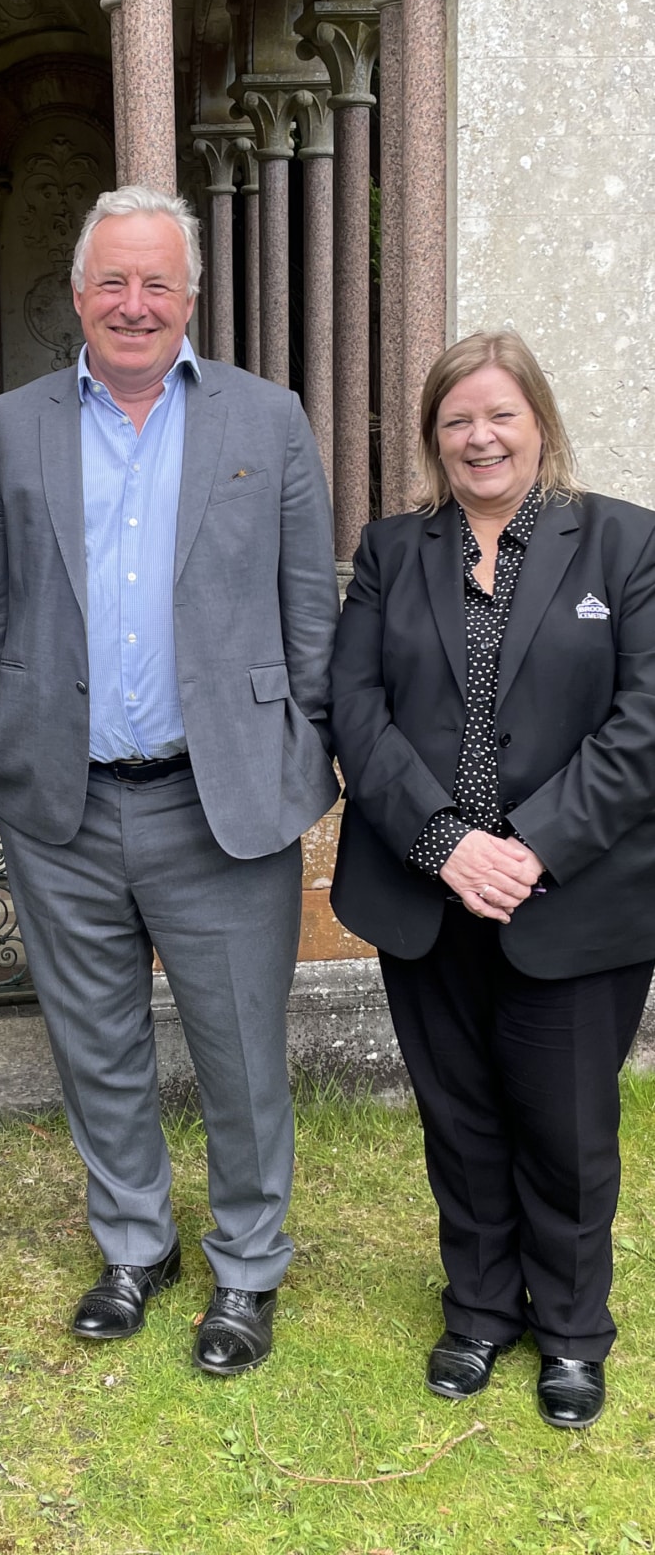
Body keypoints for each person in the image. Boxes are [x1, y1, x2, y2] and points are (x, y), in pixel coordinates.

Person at [0, 184, 339, 1375]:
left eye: (156, 282)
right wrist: (6, 734)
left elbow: (306, 605)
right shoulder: (14, 424)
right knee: (95, 1041)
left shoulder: (264, 417)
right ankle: (133, 1244)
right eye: (111, 281)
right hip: (61, 802)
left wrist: (303, 754)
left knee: (237, 1048)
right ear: (77, 295)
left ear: (190, 297)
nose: (133, 302)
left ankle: (245, 1265)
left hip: (216, 798)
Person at [330, 329, 655, 1430]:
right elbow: (356, 710)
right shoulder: (388, 550)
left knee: (565, 1124)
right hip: (428, 888)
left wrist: (531, 842)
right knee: (458, 1115)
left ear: (538, 423)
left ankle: (570, 1329)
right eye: (457, 417)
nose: (480, 435)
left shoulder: (623, 544)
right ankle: (477, 1308)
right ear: (433, 434)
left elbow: (642, 722)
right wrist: (444, 842)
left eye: (500, 413)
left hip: (573, 892)